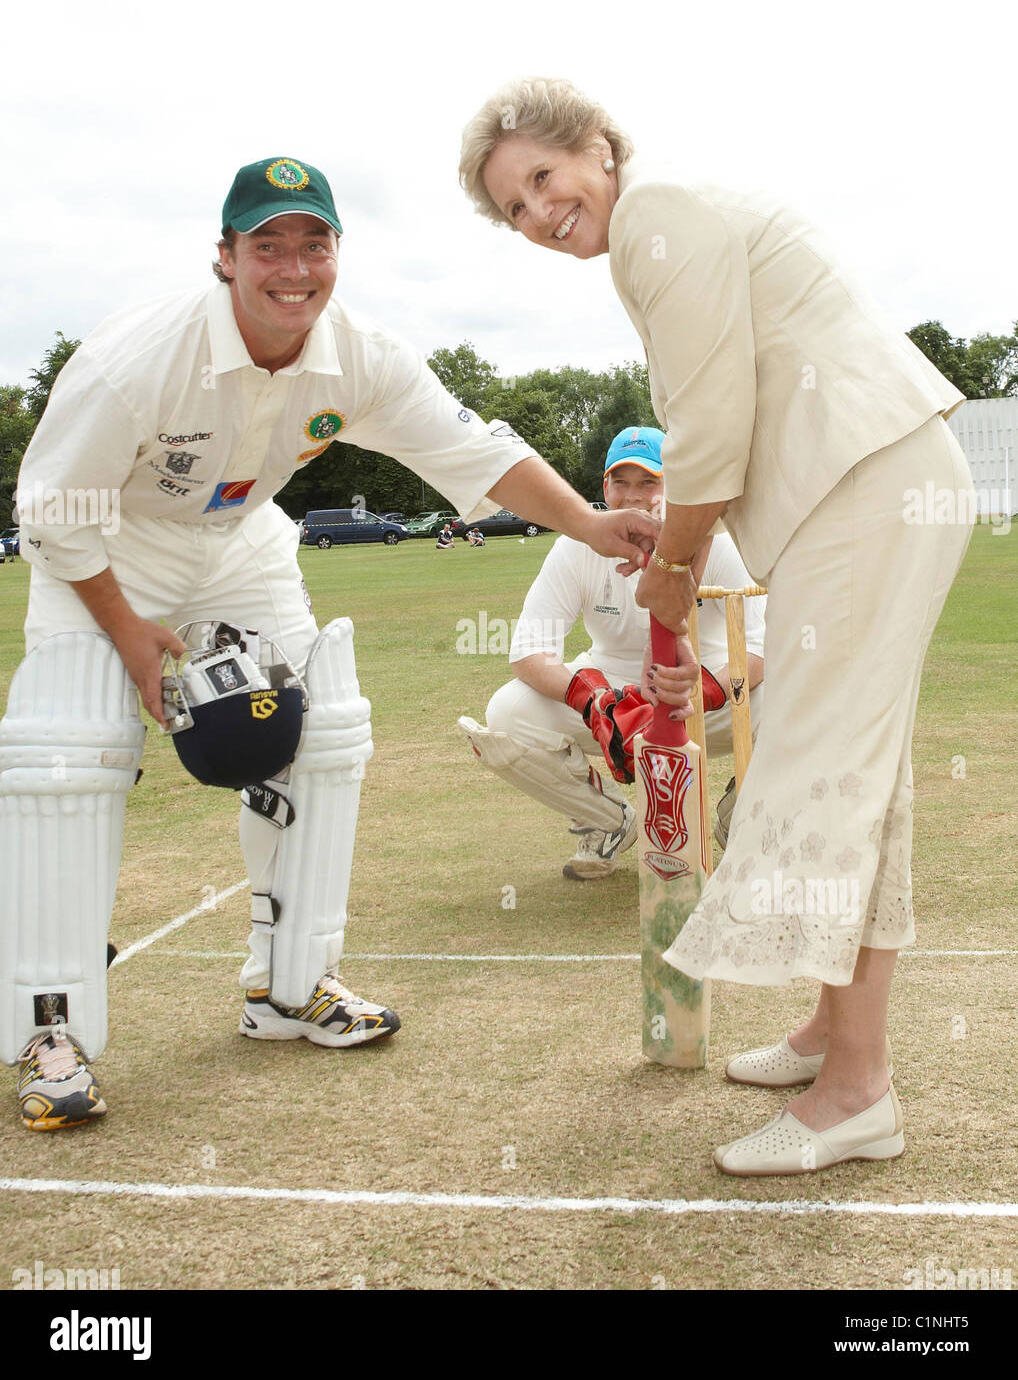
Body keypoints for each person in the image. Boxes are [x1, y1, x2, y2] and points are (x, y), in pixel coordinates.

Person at [0, 154, 658, 1132]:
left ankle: (290, 986)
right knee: (72, 755)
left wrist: (592, 527)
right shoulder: (136, 358)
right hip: (103, 547)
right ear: (226, 257)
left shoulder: (358, 353)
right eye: (268, 243)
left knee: (322, 731)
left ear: (336, 254)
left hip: (240, 542)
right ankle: (47, 1031)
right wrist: (130, 635)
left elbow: (471, 449)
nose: (292, 265)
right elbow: (52, 508)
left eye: (313, 242)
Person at [460, 80, 973, 1176]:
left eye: (543, 180)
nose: (539, 215)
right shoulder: (658, 226)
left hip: (869, 485)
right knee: (845, 774)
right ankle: (832, 1038)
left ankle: (855, 1093)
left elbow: (708, 425)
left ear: (595, 147)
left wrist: (674, 575)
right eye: (514, 209)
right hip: (861, 491)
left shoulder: (658, 216)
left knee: (821, 771)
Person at [459, 425, 764, 878]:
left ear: (674, 487)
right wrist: (594, 699)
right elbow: (529, 652)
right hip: (615, 696)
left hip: (708, 692)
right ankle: (610, 821)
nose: (633, 497)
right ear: (605, 487)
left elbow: (760, 649)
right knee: (507, 713)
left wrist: (706, 690)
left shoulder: (716, 543)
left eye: (649, 483)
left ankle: (739, 819)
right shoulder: (576, 547)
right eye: (621, 483)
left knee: (802, 700)